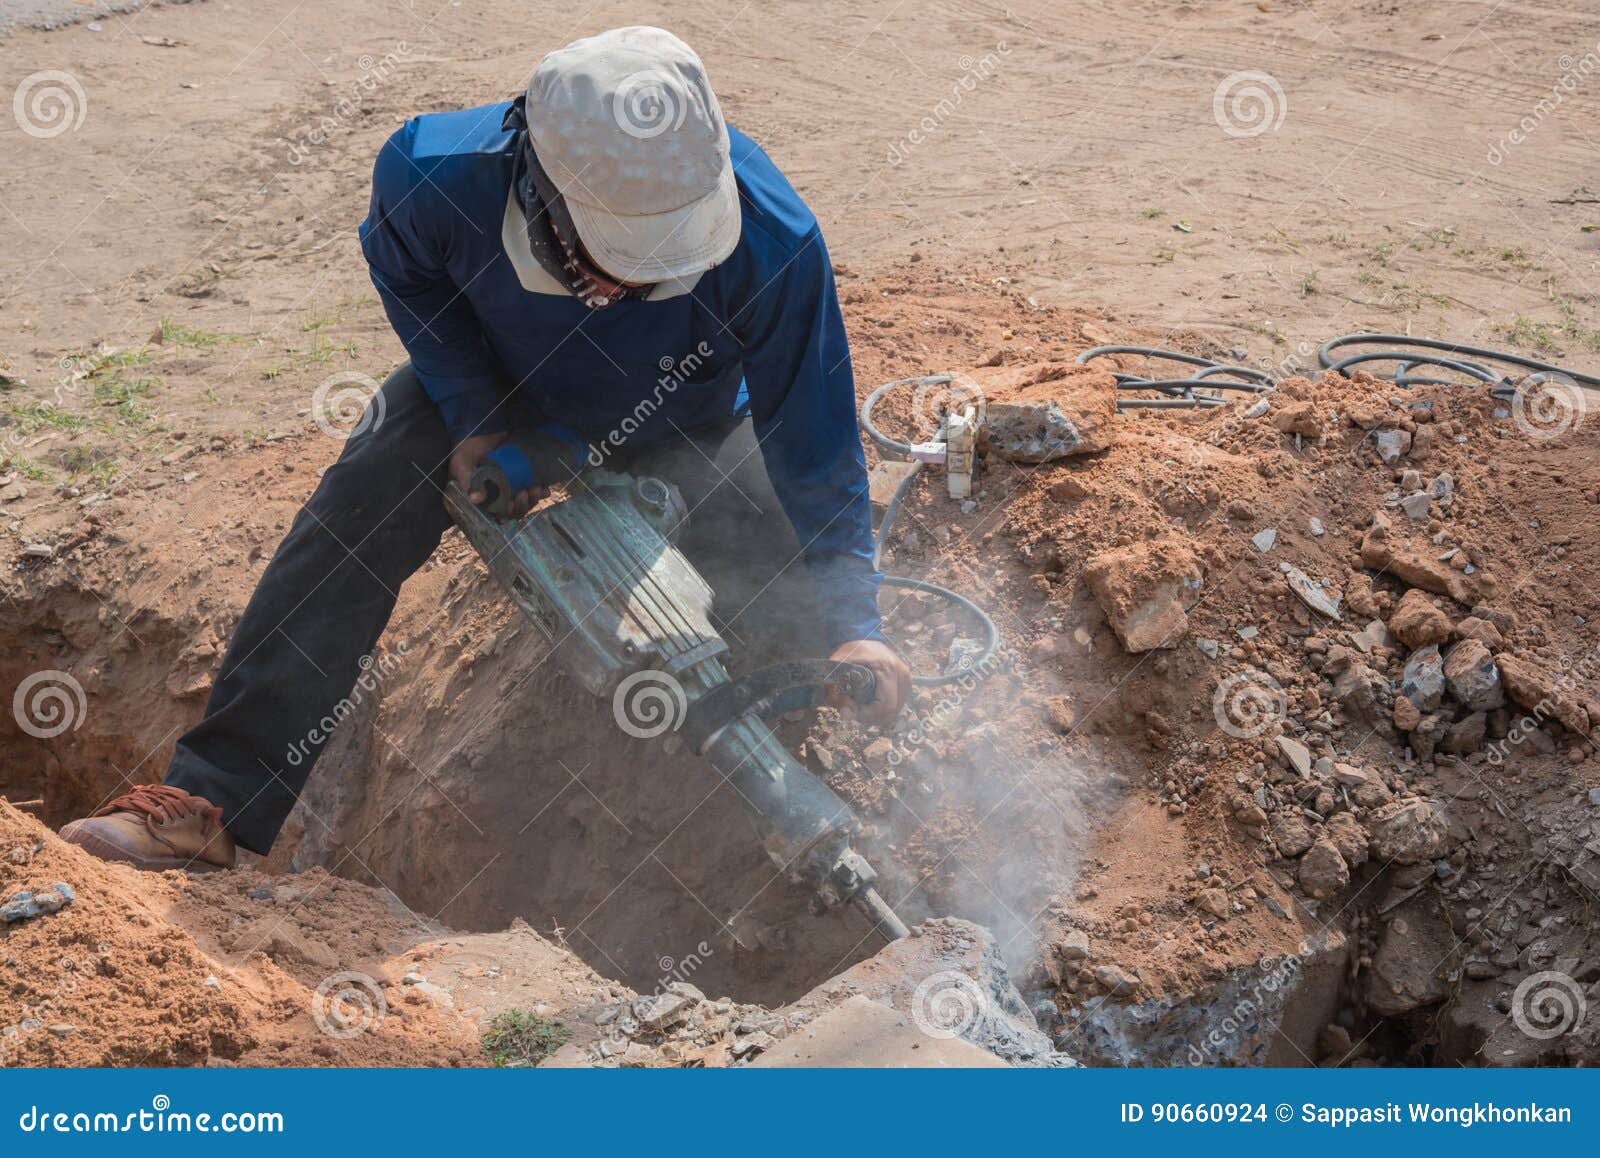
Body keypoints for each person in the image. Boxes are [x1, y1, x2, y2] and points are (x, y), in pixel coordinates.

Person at [58, 26, 910, 872]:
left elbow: (815, 430)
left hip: (688, 421)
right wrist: (473, 416)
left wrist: (856, 628)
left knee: (770, 548)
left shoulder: (771, 237)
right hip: (511, 387)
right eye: (619, 254)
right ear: (538, 181)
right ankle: (217, 800)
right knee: (362, 496)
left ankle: (749, 811)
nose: (643, 281)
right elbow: (411, 274)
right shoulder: (431, 174)